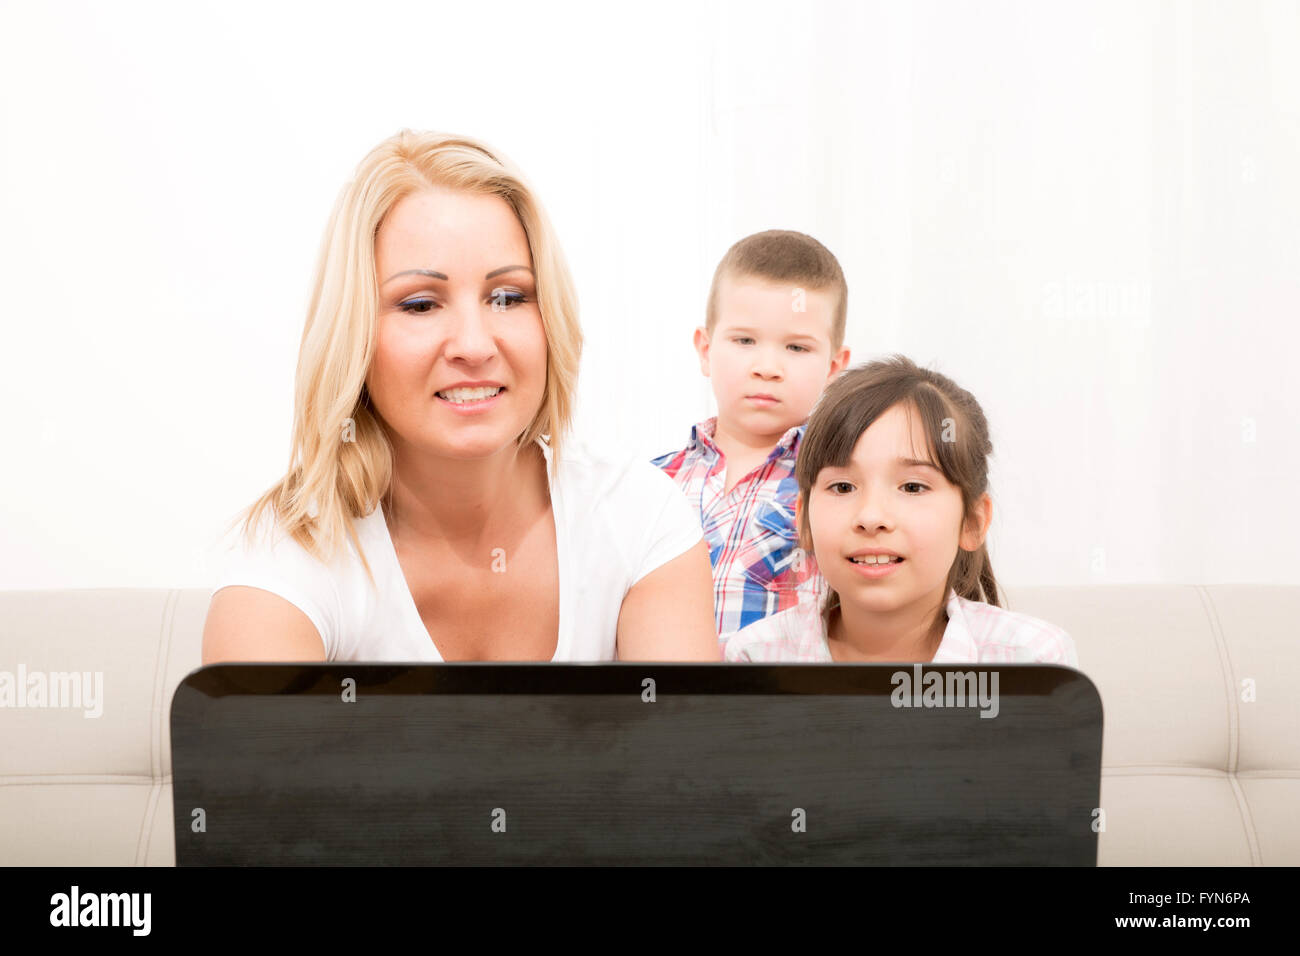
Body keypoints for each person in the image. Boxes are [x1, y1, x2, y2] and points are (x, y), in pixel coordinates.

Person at [203, 129, 718, 664]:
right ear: (352, 335)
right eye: (421, 304)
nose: (474, 345)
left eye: (508, 297)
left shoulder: (640, 517)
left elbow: (684, 744)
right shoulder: (287, 565)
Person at [724, 355, 1077, 665]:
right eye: (843, 487)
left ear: (972, 521)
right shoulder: (757, 658)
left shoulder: (1032, 662)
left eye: (912, 487)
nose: (871, 518)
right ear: (803, 520)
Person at [653, 230, 851, 648]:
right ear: (705, 350)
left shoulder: (840, 486)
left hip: (783, 709)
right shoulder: (651, 485)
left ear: (834, 366)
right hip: (659, 707)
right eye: (744, 341)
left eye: (797, 348)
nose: (767, 367)